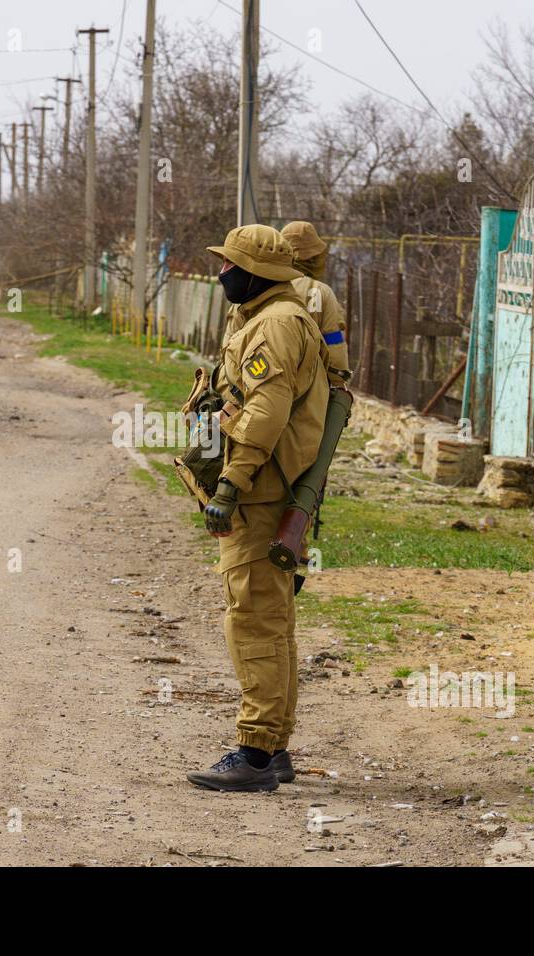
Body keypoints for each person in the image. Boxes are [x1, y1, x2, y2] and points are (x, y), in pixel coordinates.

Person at [185, 224, 328, 793]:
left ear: (256, 274)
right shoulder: (270, 316)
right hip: (270, 489)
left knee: (253, 621)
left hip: (261, 493)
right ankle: (274, 747)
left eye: (230, 265)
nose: (222, 273)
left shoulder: (274, 325)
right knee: (273, 620)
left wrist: (230, 484)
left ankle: (255, 754)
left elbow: (265, 413)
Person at [281, 221, 351, 388]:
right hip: (307, 388)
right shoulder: (320, 291)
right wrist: (338, 383)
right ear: (315, 257)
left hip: (259, 382)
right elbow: (334, 344)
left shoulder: (260, 284)